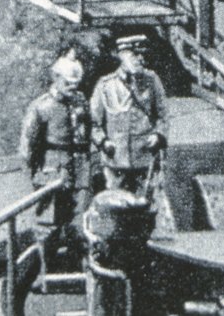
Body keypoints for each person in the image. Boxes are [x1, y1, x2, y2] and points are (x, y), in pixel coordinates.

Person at [20, 50, 90, 259]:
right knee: (48, 223)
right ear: (56, 78)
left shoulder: (80, 102)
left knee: (78, 222)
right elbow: (27, 147)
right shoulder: (41, 107)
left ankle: (75, 262)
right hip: (52, 170)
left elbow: (87, 130)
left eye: (76, 83)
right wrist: (32, 177)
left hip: (78, 169)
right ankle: (43, 266)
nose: (73, 88)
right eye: (68, 83)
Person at [90, 33, 168, 195]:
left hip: (145, 159)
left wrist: (158, 135)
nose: (140, 59)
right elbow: (94, 123)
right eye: (134, 55)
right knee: (116, 207)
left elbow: (163, 116)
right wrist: (103, 142)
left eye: (142, 55)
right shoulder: (105, 85)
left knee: (147, 207)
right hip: (115, 161)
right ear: (121, 56)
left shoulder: (152, 81)